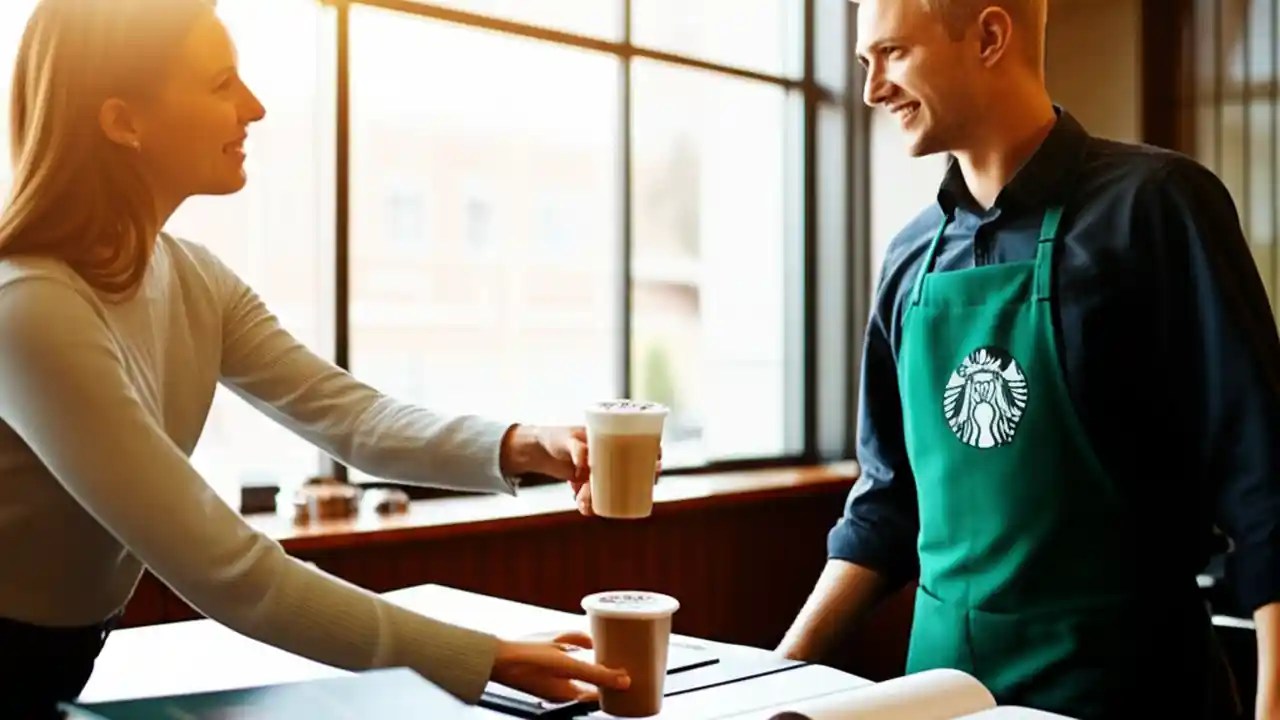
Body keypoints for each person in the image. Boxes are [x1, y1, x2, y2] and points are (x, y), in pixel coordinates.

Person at [0, 0, 633, 715]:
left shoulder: (191, 278)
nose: (256, 107)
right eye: (219, 85)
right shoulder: (28, 307)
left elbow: (352, 420)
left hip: (55, 661)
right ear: (123, 122)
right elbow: (225, 566)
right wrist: (476, 656)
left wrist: (522, 446)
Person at [776, 1, 1280, 719]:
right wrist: (771, 678)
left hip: (1125, 694)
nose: (871, 90)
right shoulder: (908, 259)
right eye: (864, 63)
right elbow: (886, 507)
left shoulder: (1158, 209)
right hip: (939, 701)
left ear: (988, 35)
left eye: (892, 54)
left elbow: (1266, 489)